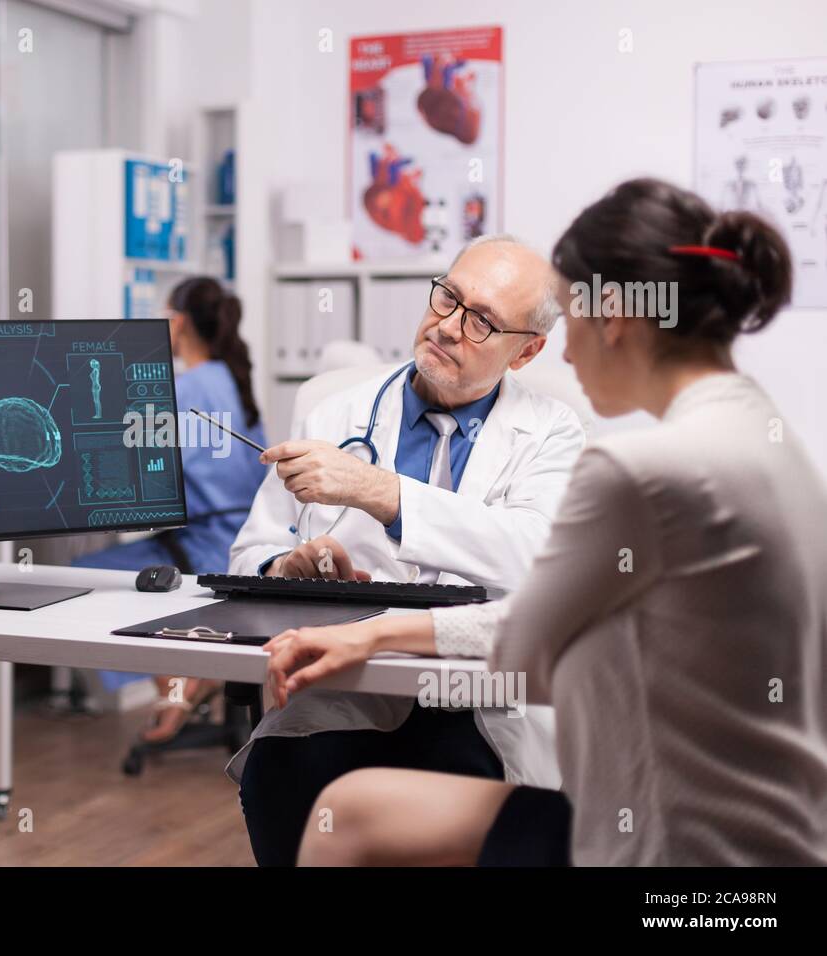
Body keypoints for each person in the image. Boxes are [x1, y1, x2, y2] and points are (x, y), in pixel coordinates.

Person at [267, 178, 827, 867]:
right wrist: (378, 630)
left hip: (677, 853)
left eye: (570, 322)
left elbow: (529, 643)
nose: (563, 354)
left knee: (345, 816)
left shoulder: (641, 470)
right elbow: (559, 620)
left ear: (615, 317)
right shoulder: (765, 439)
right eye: (449, 300)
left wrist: (376, 614)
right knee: (350, 807)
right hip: (786, 837)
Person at [229, 235, 585, 866]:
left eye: (481, 322)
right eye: (447, 297)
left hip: (474, 702)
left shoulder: (553, 433)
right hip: (349, 694)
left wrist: (380, 491)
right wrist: (290, 570)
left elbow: (538, 556)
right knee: (281, 773)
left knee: (461, 785)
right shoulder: (333, 411)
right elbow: (250, 553)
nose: (447, 327)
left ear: (527, 351)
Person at [74, 277, 266, 742]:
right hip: (244, 540)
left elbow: (152, 470)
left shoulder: (189, 387)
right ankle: (187, 678)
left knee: (79, 581)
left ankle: (181, 681)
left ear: (176, 323)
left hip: (204, 546)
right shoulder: (231, 378)